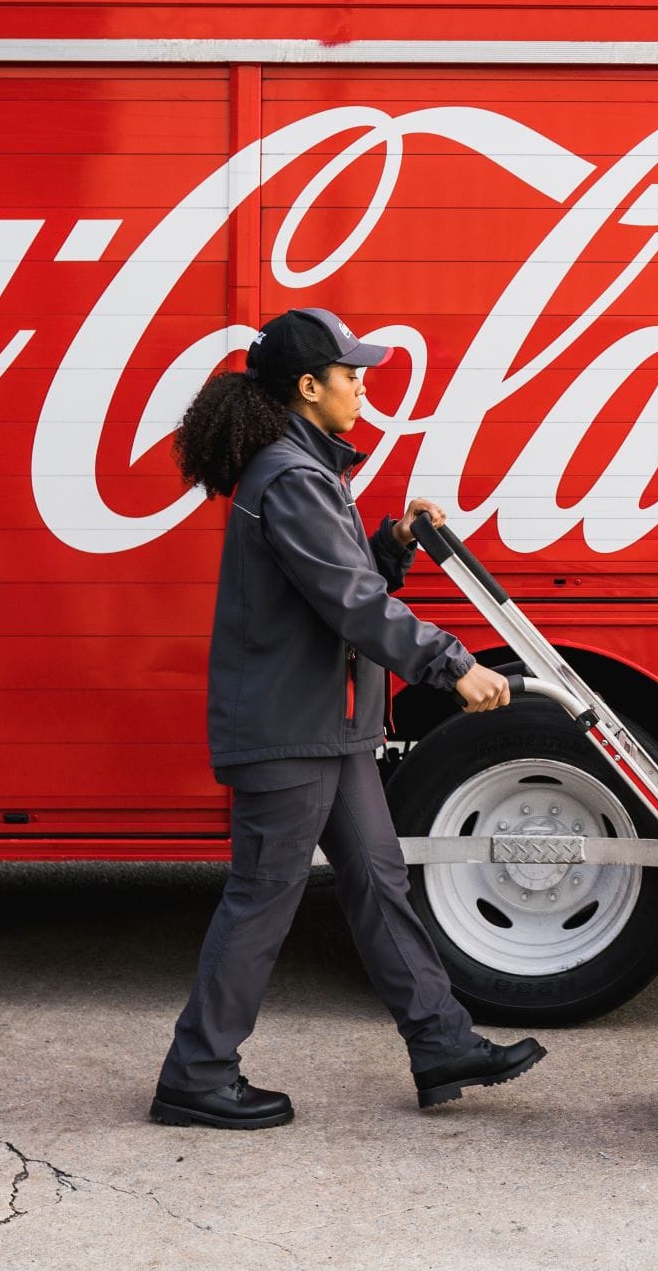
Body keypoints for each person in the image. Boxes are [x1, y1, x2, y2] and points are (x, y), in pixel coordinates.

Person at [150, 307, 545, 1130]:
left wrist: (394, 540)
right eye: (351, 375)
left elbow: (346, 577)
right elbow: (351, 603)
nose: (362, 388)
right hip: (290, 733)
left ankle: (441, 1044)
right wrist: (453, 664)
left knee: (378, 885)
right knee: (262, 898)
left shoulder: (305, 470)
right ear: (308, 386)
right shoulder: (289, 477)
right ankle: (196, 1073)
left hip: (328, 730)